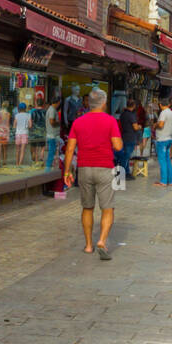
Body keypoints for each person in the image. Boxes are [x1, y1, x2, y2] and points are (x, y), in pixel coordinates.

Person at [63, 88, 124, 259]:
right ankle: (102, 241)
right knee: (107, 208)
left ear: (88, 103)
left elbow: (69, 149)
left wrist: (67, 171)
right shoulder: (111, 121)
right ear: (104, 103)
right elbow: (118, 146)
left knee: (87, 208)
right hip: (105, 168)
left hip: (84, 169)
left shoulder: (78, 122)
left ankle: (89, 245)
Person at [116, 98, 141, 178]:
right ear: (133, 106)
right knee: (126, 156)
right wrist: (139, 126)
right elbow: (135, 127)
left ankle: (127, 172)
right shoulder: (131, 115)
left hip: (124, 137)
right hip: (130, 138)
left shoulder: (123, 114)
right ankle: (122, 173)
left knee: (125, 155)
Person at [154, 101, 172, 187]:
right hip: (169, 138)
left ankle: (163, 181)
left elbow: (161, 125)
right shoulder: (171, 113)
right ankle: (170, 180)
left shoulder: (163, 113)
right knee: (167, 160)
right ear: (169, 104)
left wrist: (155, 124)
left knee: (162, 161)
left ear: (160, 104)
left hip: (162, 140)